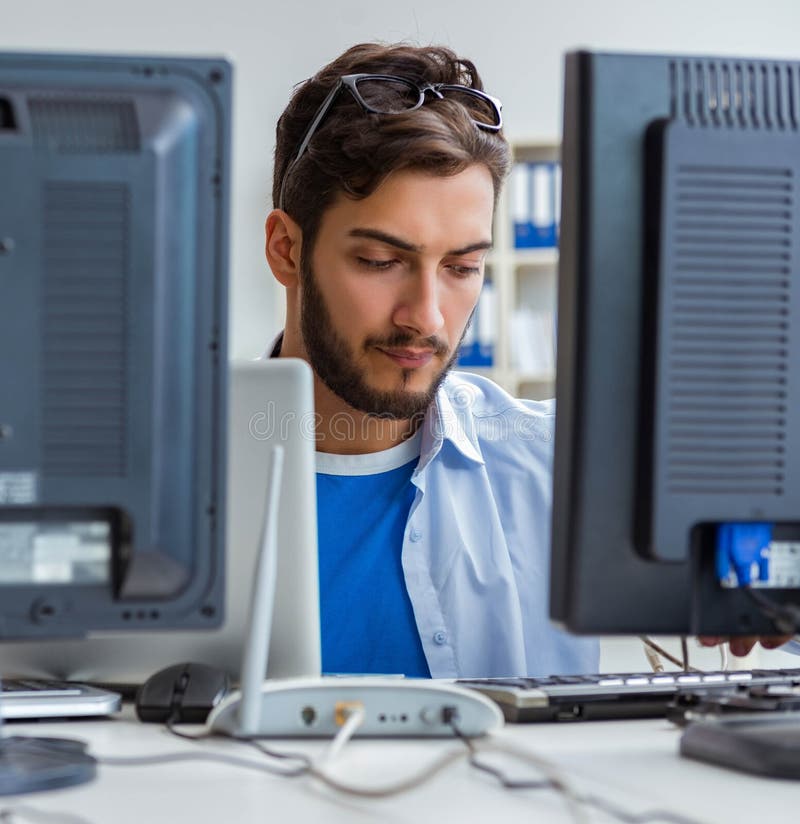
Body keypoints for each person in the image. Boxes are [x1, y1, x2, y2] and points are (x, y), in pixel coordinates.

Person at [264, 42, 788, 678]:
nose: (427, 316)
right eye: (381, 262)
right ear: (287, 250)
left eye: (462, 267)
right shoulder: (187, 492)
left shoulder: (567, 472)